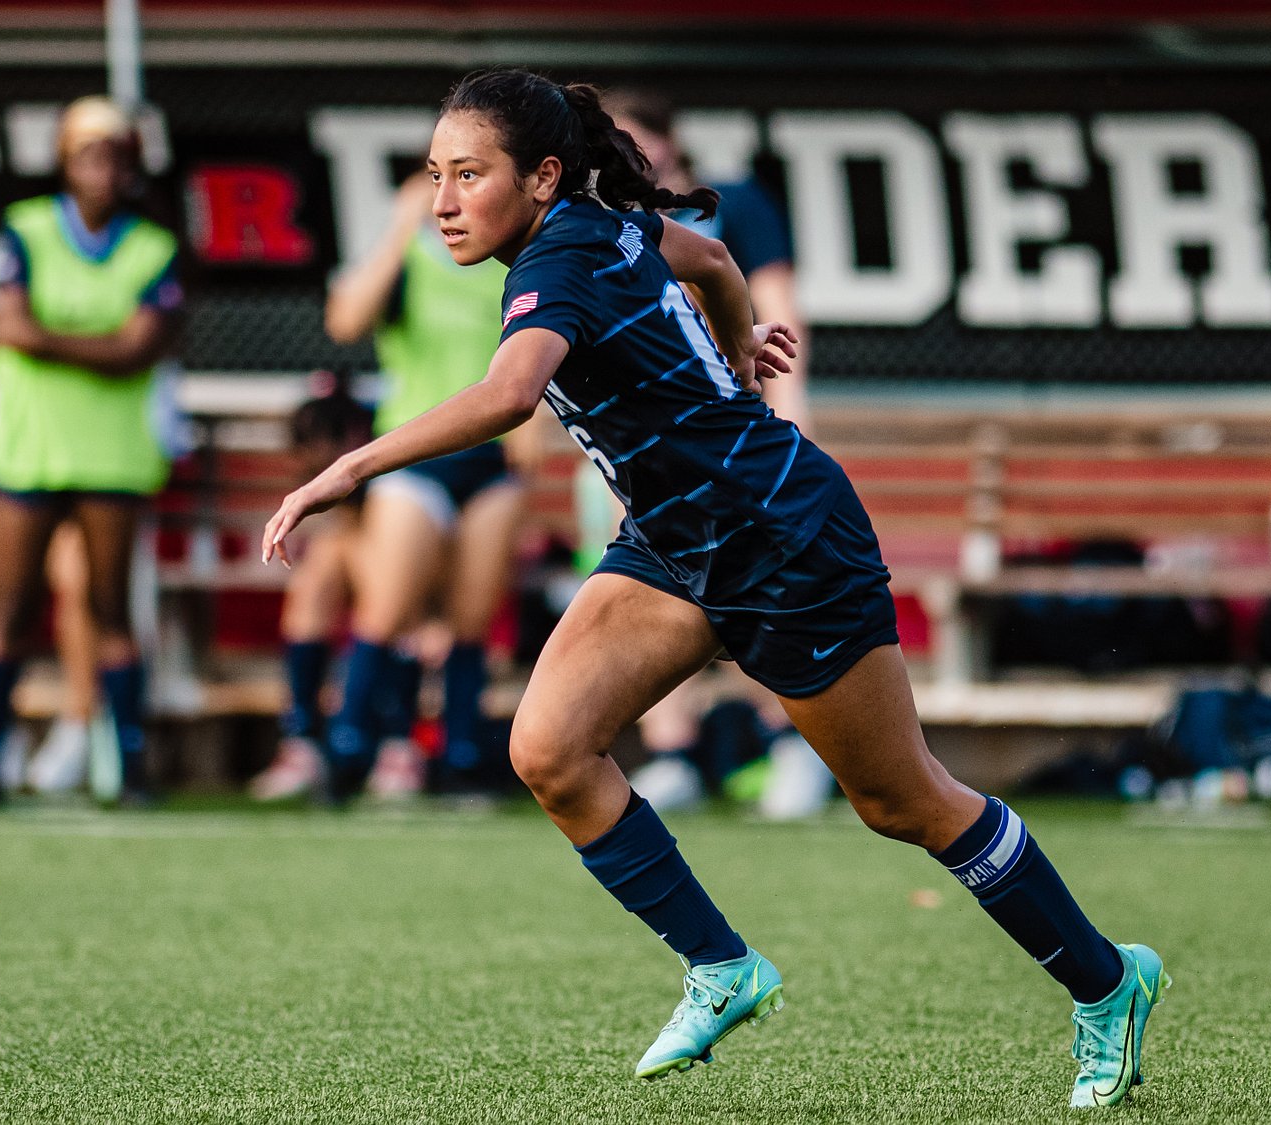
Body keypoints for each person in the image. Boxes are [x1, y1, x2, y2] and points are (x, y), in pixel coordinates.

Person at [264, 69, 1166, 1108]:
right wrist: (736, 337)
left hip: (783, 537)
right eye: (434, 175)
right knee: (549, 749)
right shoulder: (603, 224)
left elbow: (509, 396)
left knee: (899, 800)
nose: (443, 201)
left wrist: (344, 471)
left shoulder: (559, 255)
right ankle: (720, 966)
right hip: (672, 542)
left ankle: (1106, 985)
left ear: (541, 176)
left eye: (470, 174)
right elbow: (710, 254)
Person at [602, 88, 823, 814]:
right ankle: (672, 755)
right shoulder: (599, 219)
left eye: (636, 143)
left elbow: (778, 310)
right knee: (645, 590)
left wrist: (792, 422)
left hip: (731, 439)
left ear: (669, 142)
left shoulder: (729, 204)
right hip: (635, 443)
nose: (625, 160)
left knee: (755, 589)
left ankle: (792, 745)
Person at [0, 95, 184, 807]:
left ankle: (128, 761)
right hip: (31, 448)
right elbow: (9, 329)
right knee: (13, 602)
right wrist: (104, 345)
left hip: (112, 455)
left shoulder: (153, 246)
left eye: (117, 153)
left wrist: (50, 339)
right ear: (65, 159)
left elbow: (135, 350)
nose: (104, 167)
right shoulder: (28, 230)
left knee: (109, 606)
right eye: (90, 151)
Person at [319, 172, 525, 799]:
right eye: (440, 181)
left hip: (490, 462)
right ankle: (350, 748)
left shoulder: (508, 264)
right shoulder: (407, 255)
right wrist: (399, 229)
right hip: (410, 455)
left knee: (471, 620)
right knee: (386, 608)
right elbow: (345, 323)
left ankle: (458, 756)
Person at [247, 370, 427, 801]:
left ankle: (392, 743)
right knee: (315, 581)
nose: (308, 460)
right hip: (368, 576)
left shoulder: (402, 482)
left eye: (317, 444)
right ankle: (304, 740)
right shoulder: (342, 518)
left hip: (429, 592)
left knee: (382, 592)